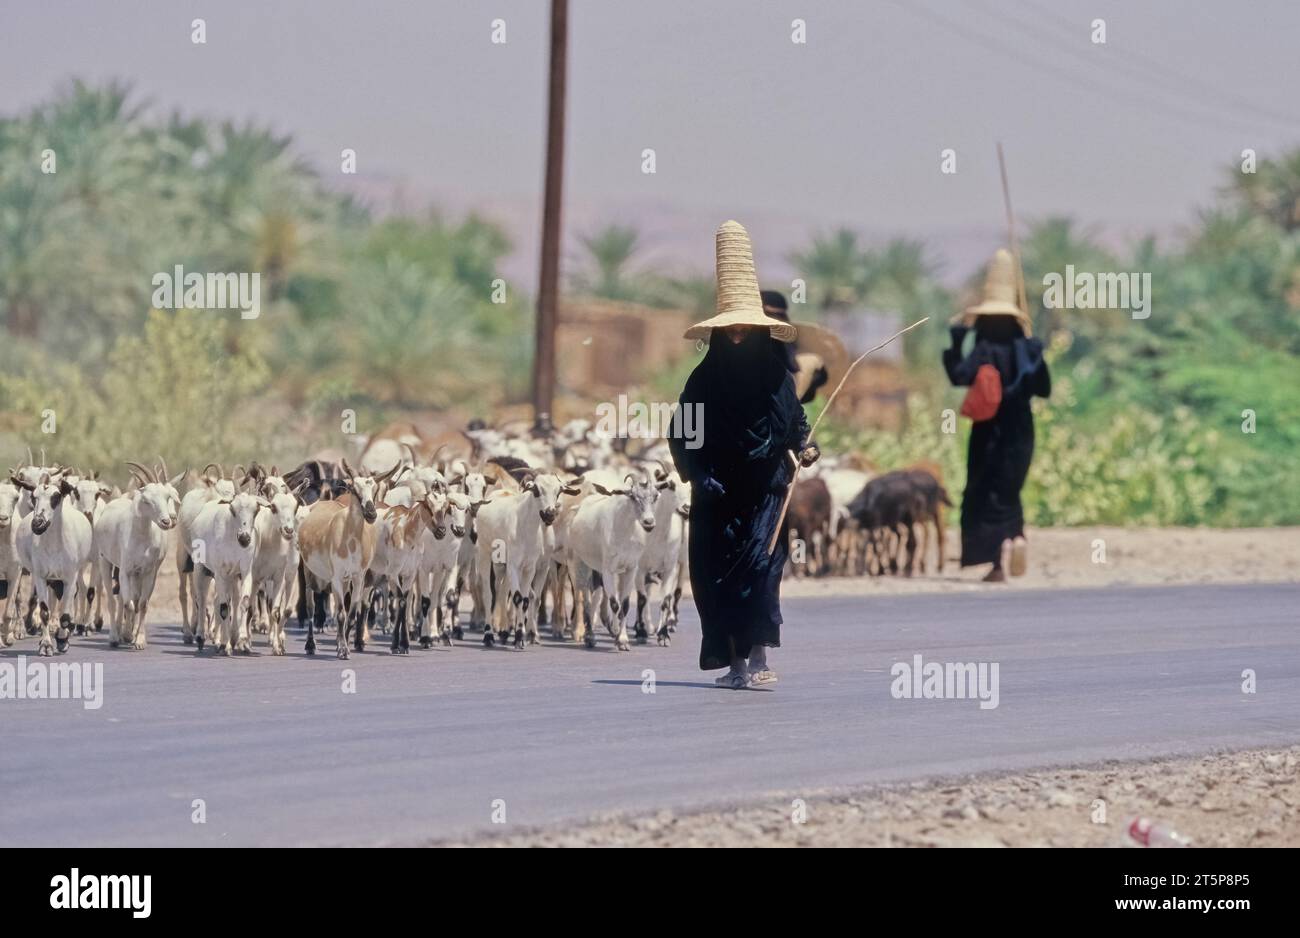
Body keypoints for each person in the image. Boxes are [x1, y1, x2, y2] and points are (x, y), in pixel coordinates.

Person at [670, 222, 819, 689]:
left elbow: (795, 426)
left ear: (758, 330)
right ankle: (734, 664)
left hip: (767, 491)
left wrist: (807, 448)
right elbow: (682, 433)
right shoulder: (703, 380)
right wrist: (696, 473)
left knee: (760, 571)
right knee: (719, 578)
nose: (736, 335)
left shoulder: (776, 378)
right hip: (718, 493)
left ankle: (757, 657)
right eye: (729, 328)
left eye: (744, 328)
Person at [943, 248, 1050, 582]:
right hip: (1021, 431)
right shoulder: (1024, 348)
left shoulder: (985, 347)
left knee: (984, 490)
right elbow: (1043, 388)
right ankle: (1016, 537)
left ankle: (997, 562)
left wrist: (956, 341)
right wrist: (1034, 355)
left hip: (989, 432)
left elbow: (959, 375)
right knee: (1009, 490)